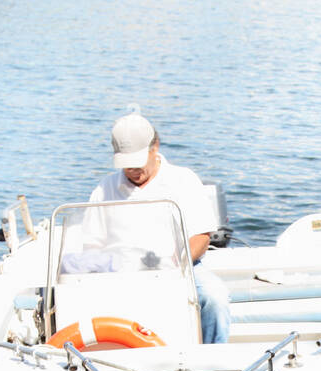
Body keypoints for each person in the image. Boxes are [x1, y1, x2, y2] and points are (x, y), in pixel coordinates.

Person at [82, 115, 231, 344]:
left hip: (177, 265)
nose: (132, 168)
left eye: (138, 160)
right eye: (126, 162)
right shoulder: (104, 189)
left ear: (155, 147)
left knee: (214, 296)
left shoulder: (183, 179)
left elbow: (201, 237)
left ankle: (212, 361)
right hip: (121, 270)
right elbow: (92, 245)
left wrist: (177, 263)